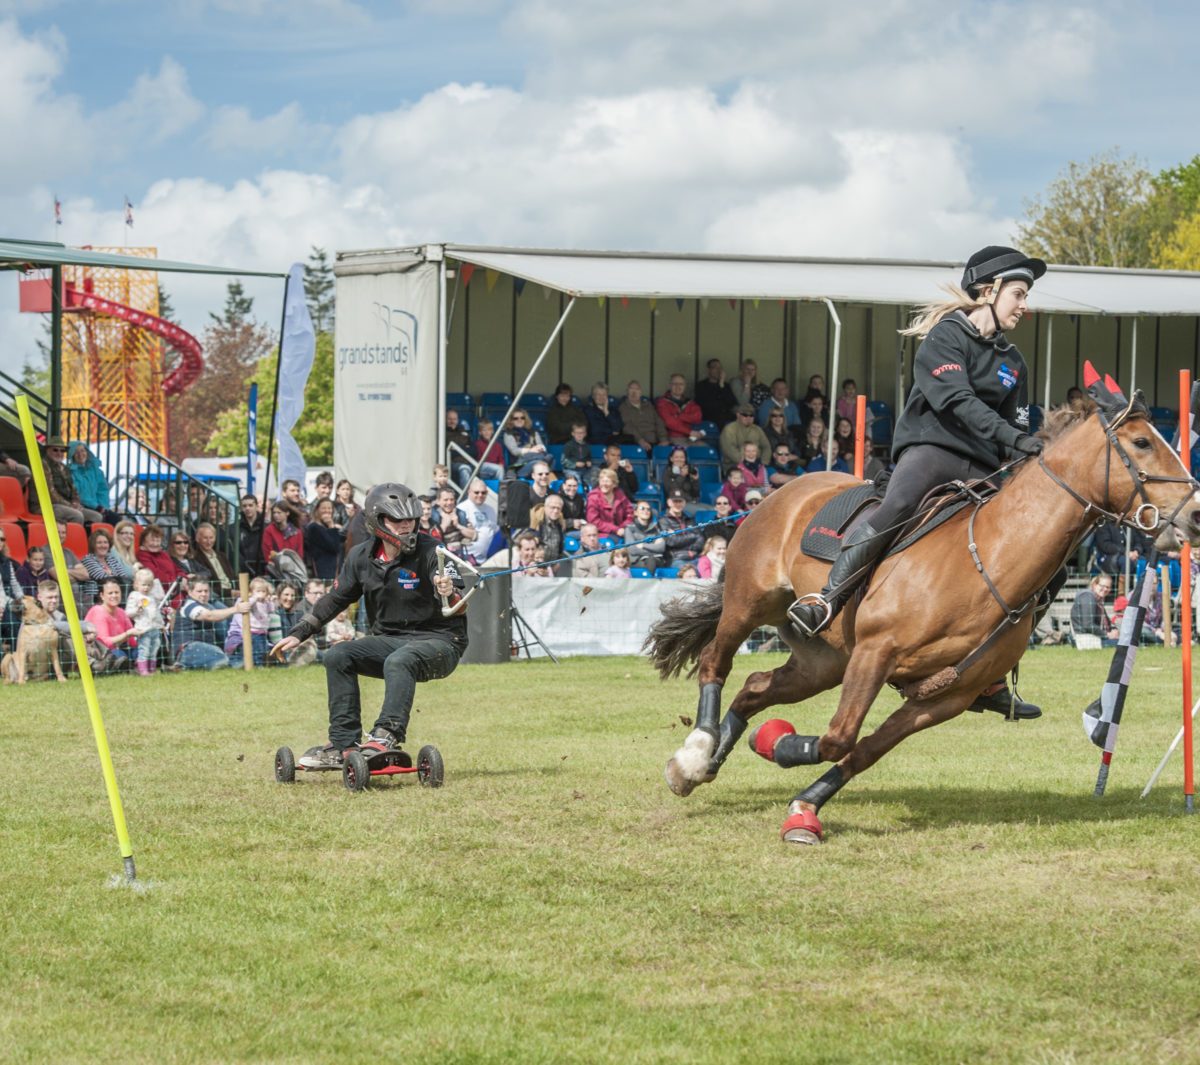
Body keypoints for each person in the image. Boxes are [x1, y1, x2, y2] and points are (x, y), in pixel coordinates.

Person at [787, 244, 1050, 719]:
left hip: (986, 466)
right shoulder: (945, 339)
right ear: (988, 291)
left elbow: (1021, 427)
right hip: (933, 453)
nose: (1025, 305)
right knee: (896, 507)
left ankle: (988, 674)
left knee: (1046, 561)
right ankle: (825, 601)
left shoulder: (1015, 362)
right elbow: (959, 403)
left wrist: (1026, 456)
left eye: (1026, 294)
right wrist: (1013, 437)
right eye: (1018, 293)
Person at [272, 483, 468, 769]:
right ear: (377, 521)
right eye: (397, 520)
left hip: (441, 641)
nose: (406, 526)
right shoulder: (360, 557)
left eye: (411, 520)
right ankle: (343, 745)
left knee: (401, 660)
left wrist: (448, 590)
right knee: (338, 655)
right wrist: (299, 632)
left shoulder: (433, 550)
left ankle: (385, 736)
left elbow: (461, 604)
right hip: (391, 639)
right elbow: (335, 599)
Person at [173, 577, 249, 670]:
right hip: (187, 649)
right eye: (199, 591)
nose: (204, 594)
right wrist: (236, 609)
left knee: (240, 661)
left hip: (208, 648)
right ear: (189, 592)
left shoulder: (208, 606)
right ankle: (181, 666)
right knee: (221, 660)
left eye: (206, 591)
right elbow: (209, 616)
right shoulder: (189, 605)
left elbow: (220, 615)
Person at [33, 436, 102, 524]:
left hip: (64, 505)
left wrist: (75, 502)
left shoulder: (64, 467)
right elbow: (51, 493)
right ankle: (70, 537)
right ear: (47, 450)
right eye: (55, 450)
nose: (59, 453)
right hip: (45, 506)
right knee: (77, 515)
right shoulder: (42, 466)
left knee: (97, 517)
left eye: (62, 450)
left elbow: (74, 489)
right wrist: (69, 505)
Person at [84, 578, 136, 668]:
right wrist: (127, 634)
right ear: (102, 596)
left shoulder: (121, 612)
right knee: (118, 654)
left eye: (117, 592)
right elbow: (105, 642)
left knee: (140, 651)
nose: (114, 595)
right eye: (110, 593)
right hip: (101, 651)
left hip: (121, 648)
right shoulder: (98, 611)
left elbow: (132, 640)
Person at [224, 576, 275, 666]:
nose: (261, 594)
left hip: (262, 631)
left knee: (262, 650)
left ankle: (259, 664)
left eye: (263, 591)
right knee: (255, 651)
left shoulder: (264, 602)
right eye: (258, 591)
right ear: (251, 592)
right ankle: (256, 666)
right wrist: (255, 598)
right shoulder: (250, 601)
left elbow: (271, 609)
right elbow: (248, 605)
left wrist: (271, 601)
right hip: (252, 631)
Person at [125, 566, 166, 674]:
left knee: (154, 649)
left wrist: (161, 624)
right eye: (144, 585)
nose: (146, 588)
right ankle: (142, 670)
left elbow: (156, 612)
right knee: (144, 649)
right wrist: (137, 610)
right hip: (143, 629)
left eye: (149, 585)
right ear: (136, 584)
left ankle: (151, 669)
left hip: (154, 628)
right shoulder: (135, 596)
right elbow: (128, 612)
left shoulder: (152, 596)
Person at [82, 527, 133, 602]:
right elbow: (103, 579)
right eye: (99, 543)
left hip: (115, 596)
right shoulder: (88, 559)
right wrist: (114, 576)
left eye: (105, 542)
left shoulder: (111, 559)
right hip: (97, 599)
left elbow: (123, 577)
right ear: (93, 545)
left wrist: (111, 575)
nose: (103, 545)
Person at [67, 441, 114, 521]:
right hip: (82, 505)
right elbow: (78, 494)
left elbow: (102, 491)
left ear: (87, 452)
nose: (80, 454)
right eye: (76, 452)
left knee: (115, 519)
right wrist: (97, 507)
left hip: (97, 506)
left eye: (82, 450)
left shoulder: (96, 471)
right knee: (99, 518)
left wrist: (104, 507)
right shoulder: (70, 472)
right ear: (72, 455)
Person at [719, 404, 772, 473]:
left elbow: (766, 447)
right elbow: (730, 450)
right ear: (738, 415)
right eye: (745, 415)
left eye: (751, 415)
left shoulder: (758, 429)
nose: (748, 417)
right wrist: (747, 464)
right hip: (735, 467)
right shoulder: (729, 429)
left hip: (758, 466)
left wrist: (764, 463)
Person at [659, 490, 705, 567]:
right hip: (676, 559)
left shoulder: (690, 519)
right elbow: (672, 541)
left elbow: (701, 539)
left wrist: (677, 536)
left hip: (694, 557)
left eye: (680, 501)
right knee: (691, 573)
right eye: (675, 501)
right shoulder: (663, 521)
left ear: (684, 503)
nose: (678, 504)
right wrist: (693, 536)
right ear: (669, 502)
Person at [618, 380, 667, 452]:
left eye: (637, 389)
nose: (634, 392)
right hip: (636, 444)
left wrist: (663, 439)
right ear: (627, 391)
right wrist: (640, 441)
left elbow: (658, 422)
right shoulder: (623, 407)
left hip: (655, 443)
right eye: (631, 389)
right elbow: (627, 426)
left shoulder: (648, 406)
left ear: (640, 392)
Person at [458, 479, 499, 563]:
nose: (480, 495)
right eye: (476, 492)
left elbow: (495, 531)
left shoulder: (491, 509)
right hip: (469, 559)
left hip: (488, 559)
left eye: (483, 492)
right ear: (469, 492)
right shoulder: (461, 509)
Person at [192, 521, 237, 599]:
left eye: (211, 537)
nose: (209, 542)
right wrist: (229, 593)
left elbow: (232, 576)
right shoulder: (196, 558)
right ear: (197, 539)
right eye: (205, 538)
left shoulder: (222, 555)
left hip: (234, 593)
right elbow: (207, 585)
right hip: (218, 597)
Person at [1071, 575, 1119, 645]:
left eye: (1108, 587)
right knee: (1125, 645)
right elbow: (1088, 625)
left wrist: (1114, 630)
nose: (1105, 589)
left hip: (1095, 637)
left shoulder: (1098, 600)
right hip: (1084, 639)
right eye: (1102, 586)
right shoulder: (1087, 596)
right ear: (1094, 585)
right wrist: (1107, 634)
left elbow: (1107, 622)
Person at [655, 374, 704, 444]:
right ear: (670, 385)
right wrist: (689, 431)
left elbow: (698, 417)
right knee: (685, 453)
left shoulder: (690, 402)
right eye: (675, 384)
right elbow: (669, 422)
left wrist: (679, 416)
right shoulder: (662, 402)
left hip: (692, 437)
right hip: (673, 437)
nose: (678, 386)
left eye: (681, 384)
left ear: (685, 386)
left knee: (707, 451)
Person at [585, 468, 632, 537]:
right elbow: (593, 521)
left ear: (614, 484)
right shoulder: (593, 497)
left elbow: (630, 513)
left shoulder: (620, 495)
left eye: (607, 481)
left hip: (622, 531)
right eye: (602, 481)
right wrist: (616, 529)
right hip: (601, 533)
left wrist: (622, 527)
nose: (604, 484)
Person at [305, 498, 345, 579]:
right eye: (323, 508)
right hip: (323, 569)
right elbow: (334, 547)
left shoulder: (327, 527)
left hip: (334, 569)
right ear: (317, 510)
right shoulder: (314, 527)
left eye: (329, 508)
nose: (327, 511)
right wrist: (331, 526)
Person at [434, 486, 477, 559]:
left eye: (452, 499)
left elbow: (474, 536)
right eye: (446, 500)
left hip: (461, 555)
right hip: (441, 556)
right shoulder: (434, 515)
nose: (449, 502)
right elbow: (432, 540)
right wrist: (444, 525)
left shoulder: (461, 514)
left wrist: (457, 525)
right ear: (438, 501)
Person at [0, 526, 25, 653]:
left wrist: (23, 599)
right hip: (3, 603)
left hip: (5, 603)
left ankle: (17, 659)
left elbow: (14, 584)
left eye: (2, 539)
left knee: (16, 621)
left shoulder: (6, 562)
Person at [694, 359, 739, 427]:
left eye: (720, 368)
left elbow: (731, 403)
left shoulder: (725, 385)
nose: (718, 370)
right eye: (715, 367)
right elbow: (706, 404)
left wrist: (721, 385)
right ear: (709, 370)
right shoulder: (701, 385)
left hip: (725, 417)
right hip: (709, 417)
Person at [624, 500, 666, 569]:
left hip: (656, 560)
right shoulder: (630, 529)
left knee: (652, 560)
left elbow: (661, 548)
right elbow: (632, 550)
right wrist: (653, 549)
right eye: (642, 508)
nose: (646, 511)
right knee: (650, 560)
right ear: (635, 512)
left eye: (648, 509)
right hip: (637, 561)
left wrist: (643, 545)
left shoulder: (656, 529)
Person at [263, 502, 304, 570]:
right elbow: (267, 552)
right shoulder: (269, 530)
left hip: (293, 570)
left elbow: (299, 554)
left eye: (279, 512)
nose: (276, 515)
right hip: (275, 569)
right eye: (274, 513)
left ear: (287, 513)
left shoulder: (297, 532)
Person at [531, 493, 568, 566]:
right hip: (535, 566)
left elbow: (560, 547)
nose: (555, 511)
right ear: (545, 507)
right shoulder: (535, 521)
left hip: (552, 567)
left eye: (558, 508)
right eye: (552, 507)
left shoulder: (560, 524)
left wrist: (557, 563)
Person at [471, 417, 507, 482]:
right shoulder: (477, 444)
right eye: (484, 430)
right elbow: (477, 460)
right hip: (481, 468)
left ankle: (496, 488)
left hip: (494, 469)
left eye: (489, 430)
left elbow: (501, 459)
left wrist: (501, 464)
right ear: (480, 432)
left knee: (500, 469)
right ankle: (500, 490)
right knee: (499, 469)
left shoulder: (497, 445)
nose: (487, 432)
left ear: (492, 431)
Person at [238, 495, 265, 576]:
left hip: (262, 569)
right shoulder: (236, 527)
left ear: (256, 506)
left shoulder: (265, 526)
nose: (247, 508)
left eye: (250, 505)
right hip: (242, 570)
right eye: (244, 506)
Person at [445, 410, 474, 486]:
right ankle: (465, 497)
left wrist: (457, 449)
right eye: (449, 419)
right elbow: (448, 453)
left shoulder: (463, 431)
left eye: (454, 419)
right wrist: (465, 448)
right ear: (445, 419)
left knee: (498, 469)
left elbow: (474, 451)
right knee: (464, 469)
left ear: (457, 420)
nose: (452, 421)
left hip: (468, 462)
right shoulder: (443, 432)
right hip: (452, 463)